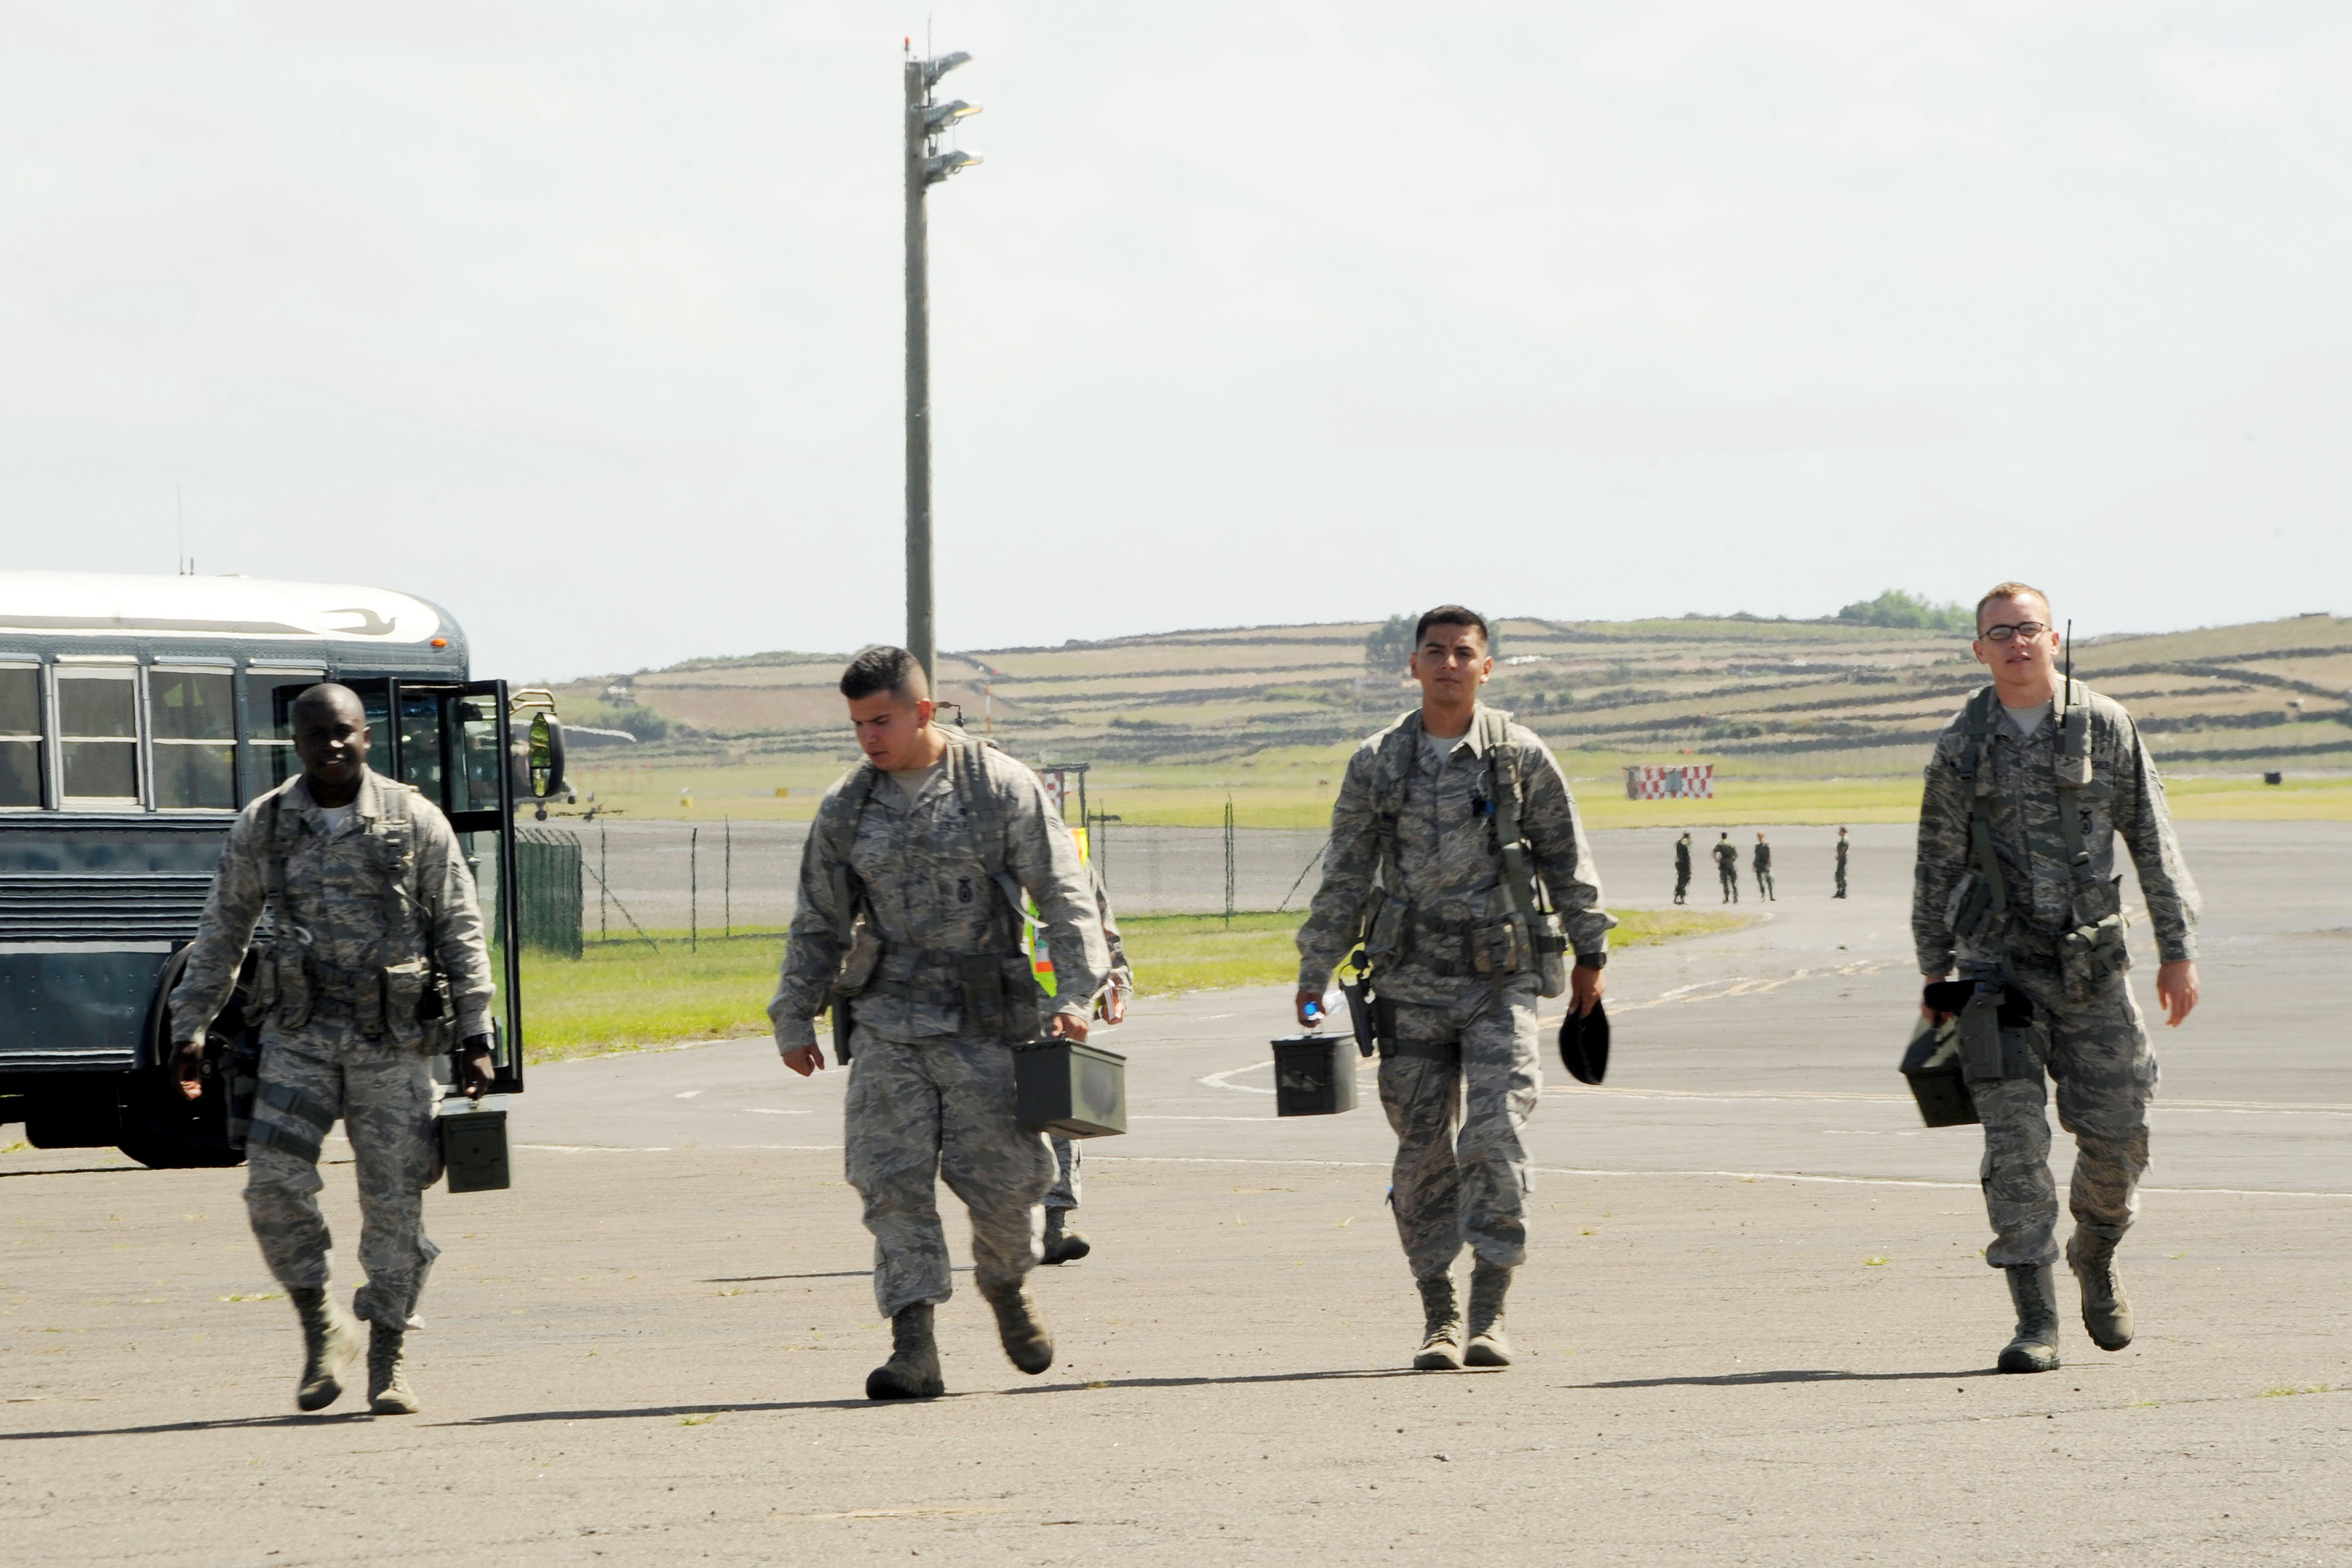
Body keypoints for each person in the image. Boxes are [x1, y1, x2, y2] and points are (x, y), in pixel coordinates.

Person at [768, 647, 1113, 1400]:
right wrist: (794, 1012)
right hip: (888, 1022)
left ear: (923, 711)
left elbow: (1064, 893)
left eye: (881, 720)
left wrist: (1077, 993)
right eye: (857, 724)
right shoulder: (848, 805)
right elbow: (817, 920)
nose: (868, 736)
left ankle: (1007, 1284)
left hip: (988, 1023)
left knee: (1005, 1188)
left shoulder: (997, 787)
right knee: (889, 1184)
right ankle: (914, 1347)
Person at [1294, 606, 1611, 1372]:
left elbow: (1566, 855)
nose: (1448, 664)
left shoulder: (1518, 755)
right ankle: (1438, 1312)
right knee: (1422, 1152)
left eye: (1463, 652)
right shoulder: (1379, 761)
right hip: (1408, 984)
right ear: (1413, 665)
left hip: (1500, 980)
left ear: (1486, 667)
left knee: (1494, 1135)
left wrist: (1590, 952)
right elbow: (1345, 872)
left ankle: (1489, 1310)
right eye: (1434, 651)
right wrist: (1316, 966)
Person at [166, 683, 498, 1415]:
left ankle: (388, 1351)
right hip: (298, 1036)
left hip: (394, 1041)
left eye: (344, 731)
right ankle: (323, 1326)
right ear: (297, 742)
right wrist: (191, 1023)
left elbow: (460, 925)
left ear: (367, 737)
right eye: (317, 734)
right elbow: (223, 929)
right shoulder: (265, 824)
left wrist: (477, 1033)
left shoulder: (414, 819)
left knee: (395, 1202)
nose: (333, 745)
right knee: (273, 1183)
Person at [1915, 582, 2200, 1374]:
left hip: (2092, 969)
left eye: (2029, 628)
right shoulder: (1960, 745)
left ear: (2054, 638)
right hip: (1993, 970)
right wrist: (1933, 968)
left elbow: (2153, 837)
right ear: (1979, 649)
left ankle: (2096, 1251)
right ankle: (2034, 1318)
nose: (2016, 642)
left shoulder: (2105, 725)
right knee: (2014, 1146)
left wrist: (2177, 949)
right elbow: (1936, 859)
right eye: (2000, 632)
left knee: (2119, 1132)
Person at [1713, 833, 1740, 903]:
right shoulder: (1731, 844)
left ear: (1722, 837)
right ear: (1727, 836)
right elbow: (1736, 855)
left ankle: (1727, 897)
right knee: (1733, 881)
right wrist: (1733, 860)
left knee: (1725, 882)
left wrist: (1716, 859)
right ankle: (1735, 897)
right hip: (1730, 863)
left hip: (1724, 864)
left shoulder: (1721, 844)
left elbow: (1714, 852)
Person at [1752, 832, 1776, 901]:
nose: (1760, 838)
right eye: (1759, 837)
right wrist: (1754, 864)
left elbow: (1769, 855)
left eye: (1761, 837)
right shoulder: (1757, 846)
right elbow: (1756, 856)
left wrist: (1769, 864)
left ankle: (1771, 896)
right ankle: (1763, 896)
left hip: (1765, 864)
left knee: (1769, 880)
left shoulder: (1767, 846)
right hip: (1759, 864)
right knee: (1760, 881)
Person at [1672, 832, 1692, 905]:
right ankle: (1680, 897)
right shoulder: (1685, 842)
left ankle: (1678, 896)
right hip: (1684, 865)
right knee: (1684, 880)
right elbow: (1686, 849)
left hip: (1680, 864)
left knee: (1681, 880)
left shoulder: (1678, 843)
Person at [1834, 827, 1850, 899]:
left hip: (1842, 859)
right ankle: (1839, 891)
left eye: (1840, 831)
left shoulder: (1845, 840)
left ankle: (1843, 892)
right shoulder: (1842, 839)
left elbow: (1843, 850)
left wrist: (1839, 856)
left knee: (1841, 875)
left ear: (1843, 832)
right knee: (1838, 875)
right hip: (1840, 859)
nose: (1839, 833)